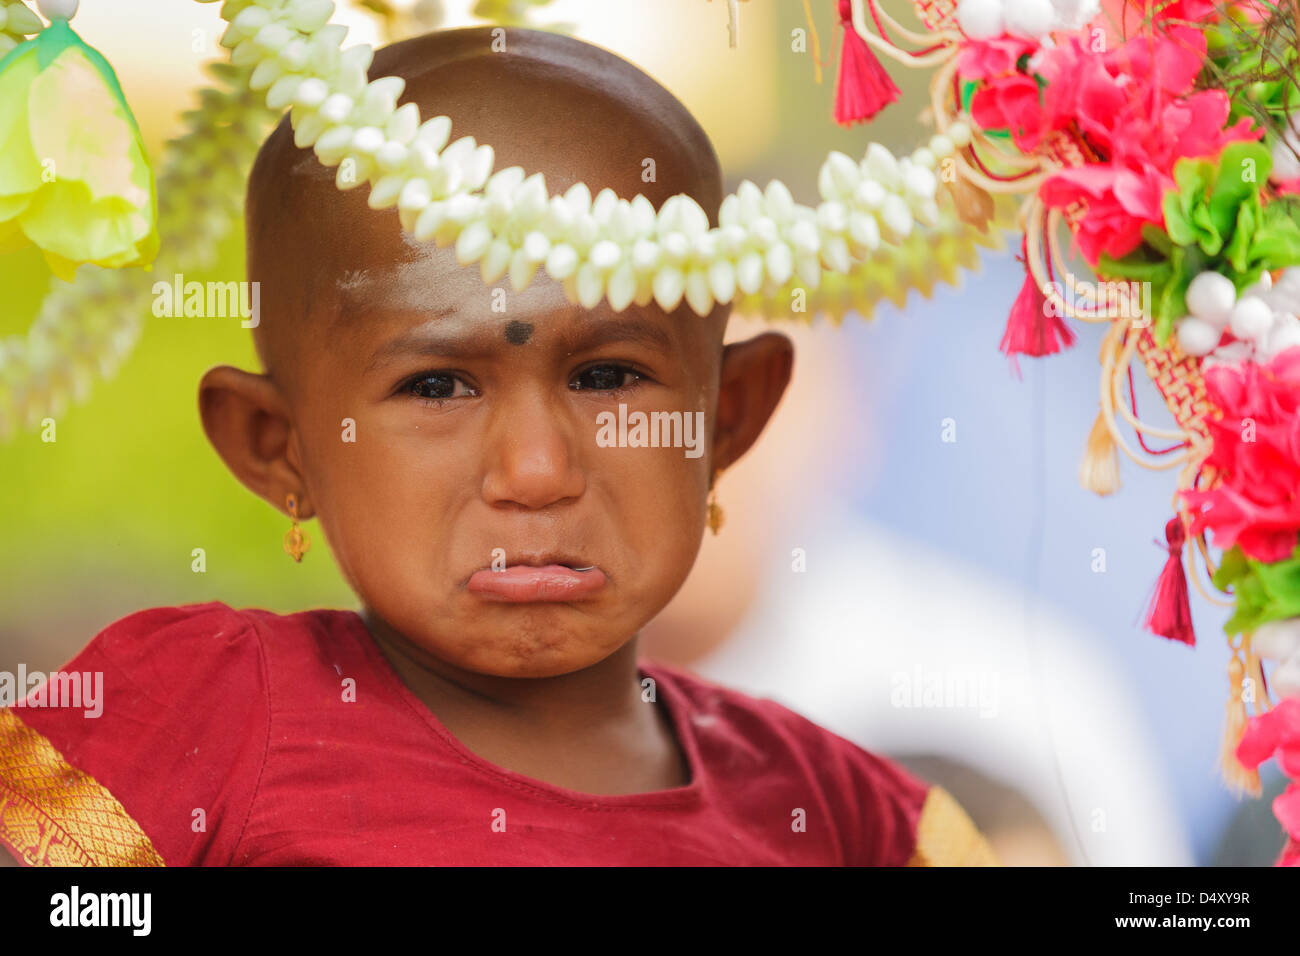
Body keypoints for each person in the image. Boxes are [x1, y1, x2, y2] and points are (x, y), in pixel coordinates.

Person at [0, 25, 995, 866]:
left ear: (727, 416)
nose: (534, 471)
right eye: (436, 385)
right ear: (278, 445)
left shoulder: (859, 820)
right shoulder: (193, 718)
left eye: (608, 376)